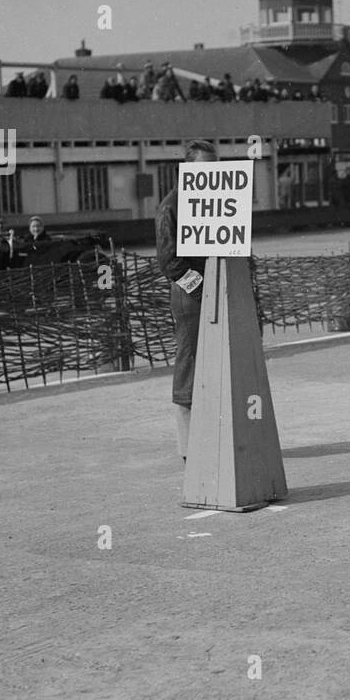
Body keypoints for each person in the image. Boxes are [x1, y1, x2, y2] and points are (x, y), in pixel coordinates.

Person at [155, 140, 216, 460]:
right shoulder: (172, 205)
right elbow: (169, 262)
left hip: (212, 292)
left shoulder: (213, 201)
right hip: (190, 295)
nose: (212, 175)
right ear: (188, 169)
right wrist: (200, 289)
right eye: (205, 168)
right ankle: (188, 448)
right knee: (190, 364)